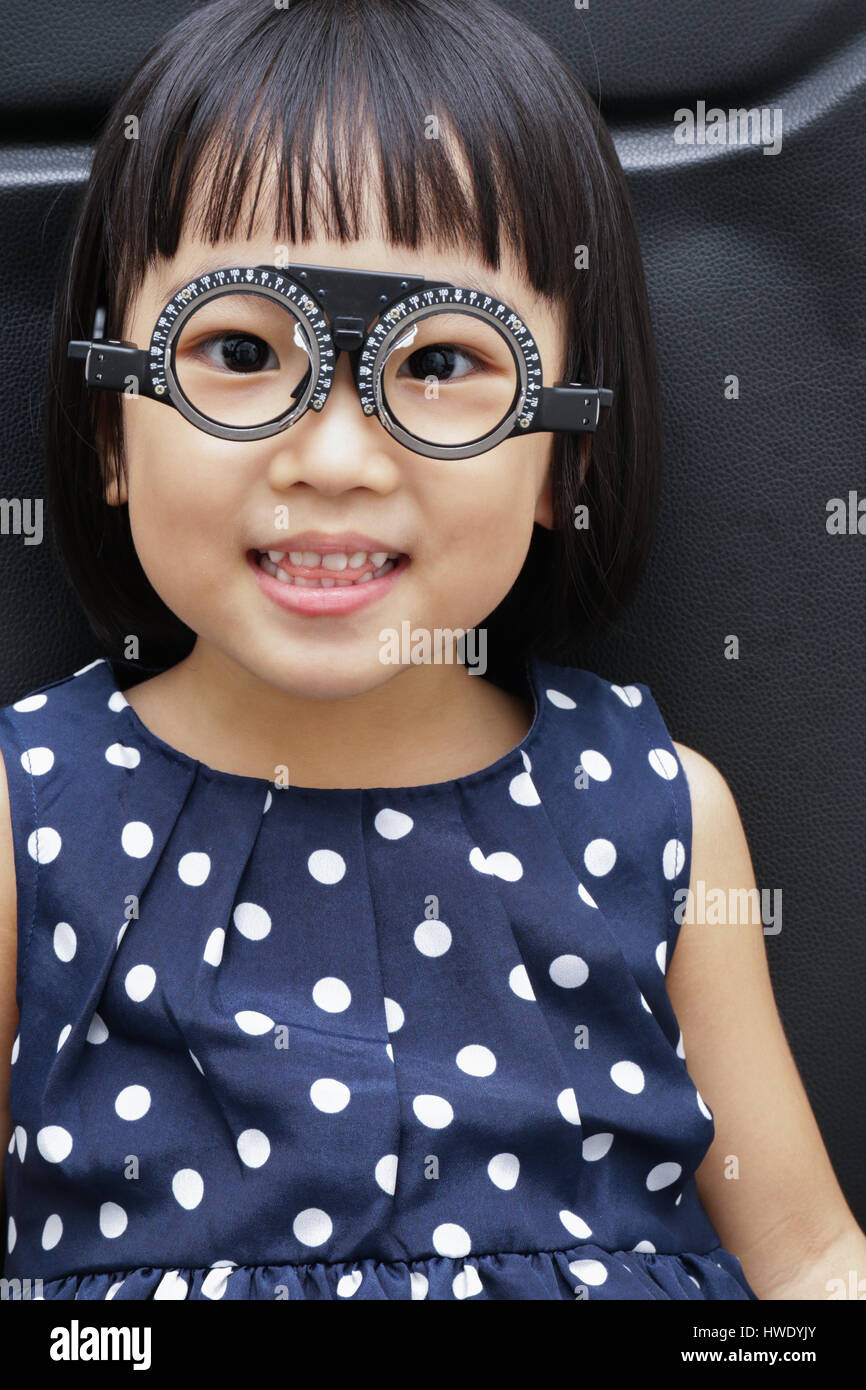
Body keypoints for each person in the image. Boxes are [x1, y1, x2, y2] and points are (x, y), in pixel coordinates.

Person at [0, 0, 862, 1301]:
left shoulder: (659, 812)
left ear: (561, 455)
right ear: (111, 427)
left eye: (444, 361)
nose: (336, 461)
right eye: (239, 350)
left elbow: (804, 1254)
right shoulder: (24, 818)